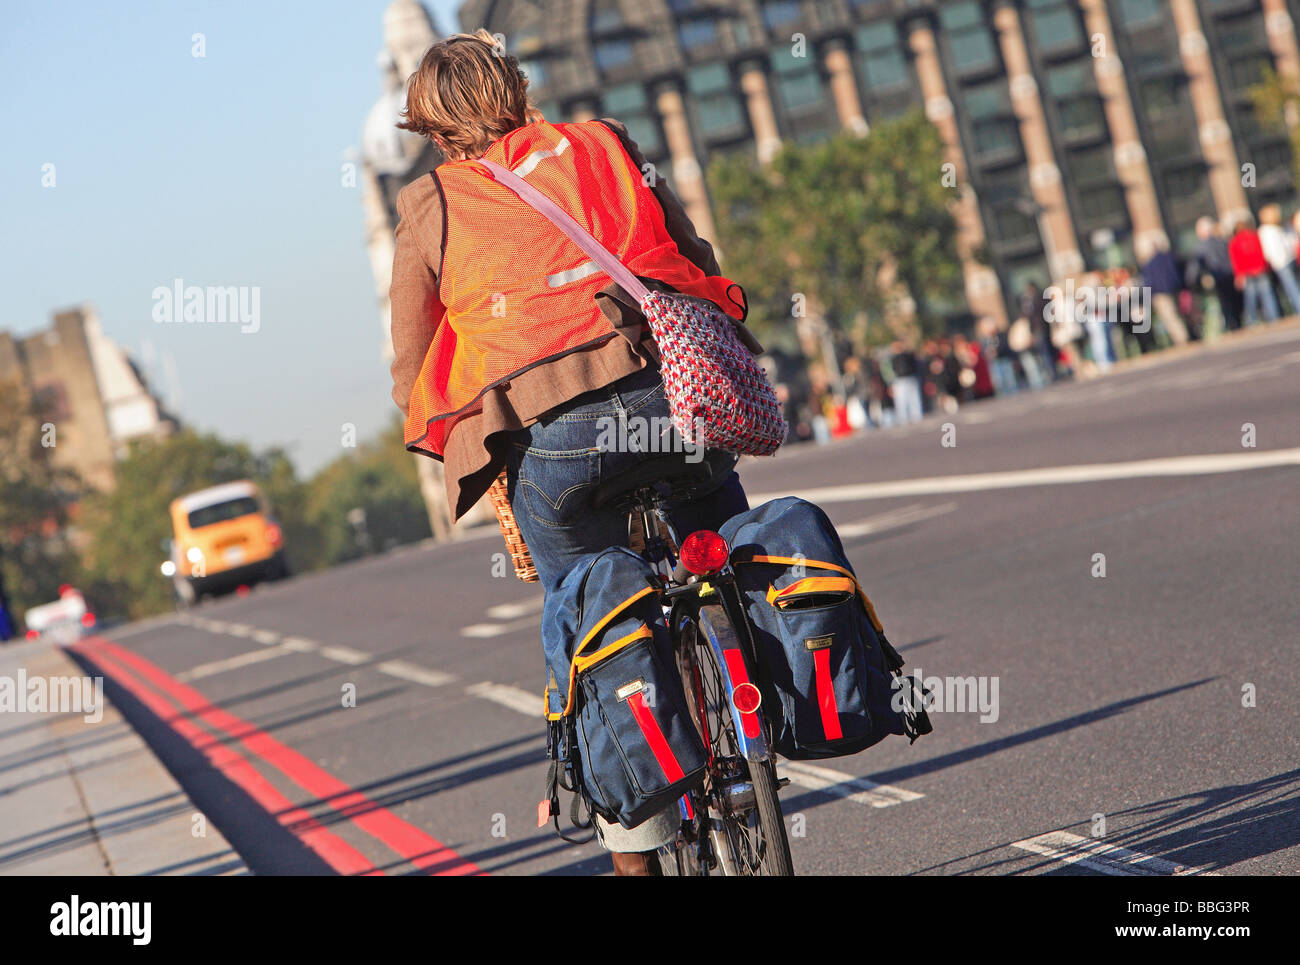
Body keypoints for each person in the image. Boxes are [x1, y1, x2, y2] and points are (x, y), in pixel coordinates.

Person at [387, 30, 759, 875]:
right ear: (517, 88)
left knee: (589, 627)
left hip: (559, 447)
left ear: (440, 134)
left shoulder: (432, 204)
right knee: (723, 547)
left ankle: (634, 847)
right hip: (673, 396)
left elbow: (412, 368)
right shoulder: (604, 141)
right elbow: (691, 258)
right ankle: (755, 691)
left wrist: (473, 441)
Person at [1188, 216, 1242, 332]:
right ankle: (1237, 324)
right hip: (1230, 275)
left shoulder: (1201, 247)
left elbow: (1195, 267)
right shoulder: (1223, 242)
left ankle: (1230, 326)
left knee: (1224, 303)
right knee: (1234, 302)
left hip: (1218, 278)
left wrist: (1192, 281)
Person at [1227, 217, 1280, 327]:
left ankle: (1251, 320)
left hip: (1247, 272)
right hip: (1260, 270)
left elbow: (1236, 260)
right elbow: (1262, 252)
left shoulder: (1235, 241)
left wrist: (1238, 275)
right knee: (1267, 294)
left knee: (1251, 297)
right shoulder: (1254, 236)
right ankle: (1274, 317)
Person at [1137, 237, 1189, 346]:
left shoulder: (1150, 264)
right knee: (1179, 314)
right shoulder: (1169, 257)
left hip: (1160, 294)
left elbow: (1149, 283)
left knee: (1170, 317)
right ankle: (1185, 336)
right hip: (1174, 290)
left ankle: (1182, 339)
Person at [1257, 204, 1300, 316]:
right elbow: (1292, 241)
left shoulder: (1266, 230)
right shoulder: (1280, 227)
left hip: (1281, 262)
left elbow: (1268, 250)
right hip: (1290, 258)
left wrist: (1272, 261)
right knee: (1294, 285)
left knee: (1292, 287)